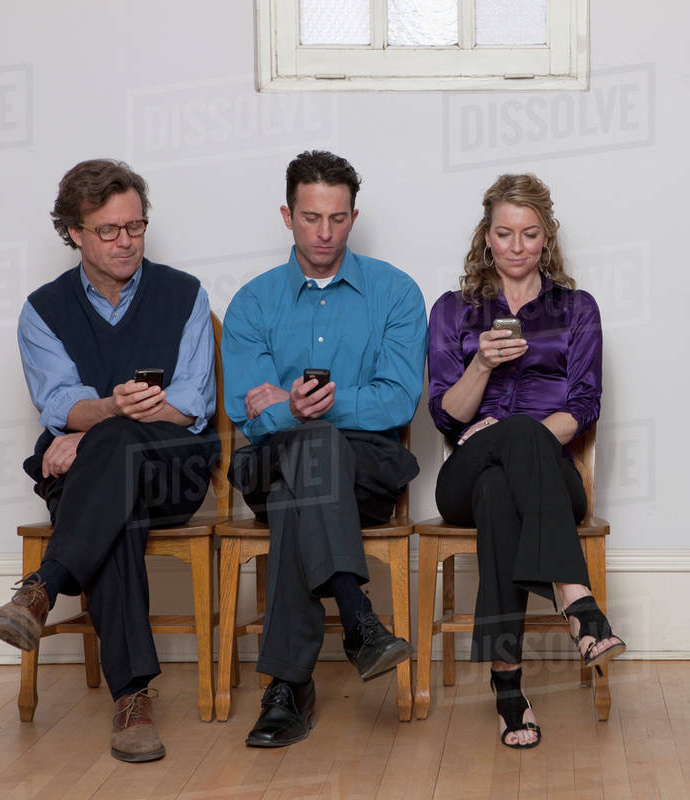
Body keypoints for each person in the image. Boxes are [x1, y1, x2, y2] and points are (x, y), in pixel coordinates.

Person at [0, 159, 218, 763]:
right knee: (118, 511)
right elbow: (58, 403)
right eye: (109, 230)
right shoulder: (43, 310)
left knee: (113, 446)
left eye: (135, 227)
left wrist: (98, 424)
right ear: (74, 233)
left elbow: (193, 403)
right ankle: (132, 699)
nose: (126, 242)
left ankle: (44, 588)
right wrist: (112, 413)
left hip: (175, 469)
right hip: (85, 481)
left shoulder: (185, 293)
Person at [221, 150, 425, 749]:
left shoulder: (395, 292)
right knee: (303, 455)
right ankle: (357, 618)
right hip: (271, 460)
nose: (324, 232)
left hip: (363, 471)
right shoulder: (254, 302)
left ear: (354, 216)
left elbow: (397, 402)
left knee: (301, 479)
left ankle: (287, 687)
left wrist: (297, 404)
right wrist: (292, 413)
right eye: (311, 217)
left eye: (337, 218)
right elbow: (243, 412)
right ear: (287, 215)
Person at [426, 173, 626, 749]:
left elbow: (584, 405)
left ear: (547, 238)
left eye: (530, 234)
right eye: (504, 233)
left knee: (501, 493)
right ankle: (574, 596)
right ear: (486, 238)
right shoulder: (453, 310)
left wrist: (522, 437)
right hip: (463, 472)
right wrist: (482, 366)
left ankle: (508, 690)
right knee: (492, 470)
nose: (517, 246)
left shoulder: (577, 309)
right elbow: (447, 416)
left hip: (549, 479)